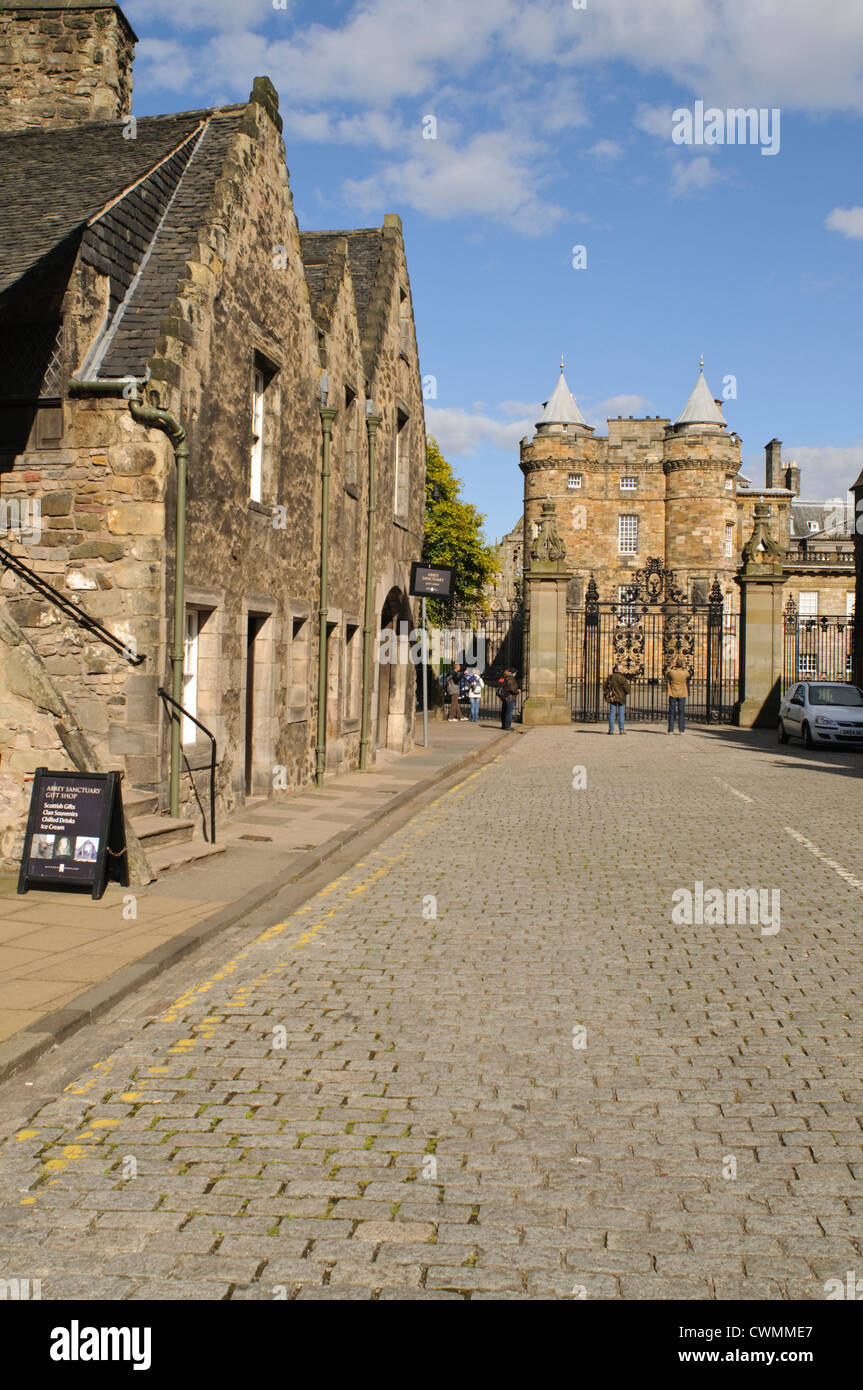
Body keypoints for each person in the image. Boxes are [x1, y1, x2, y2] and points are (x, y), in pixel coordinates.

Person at [603, 664, 630, 734]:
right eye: (623, 669)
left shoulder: (610, 677)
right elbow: (627, 690)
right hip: (621, 698)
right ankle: (621, 730)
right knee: (621, 714)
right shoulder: (623, 678)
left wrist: (608, 693)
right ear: (620, 670)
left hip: (613, 697)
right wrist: (624, 693)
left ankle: (611, 730)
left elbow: (605, 686)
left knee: (612, 714)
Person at [667, 657, 689, 734]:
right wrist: (684, 666)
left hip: (673, 692)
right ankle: (681, 730)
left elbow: (667, 672)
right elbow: (688, 673)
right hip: (682, 693)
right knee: (681, 712)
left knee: (672, 712)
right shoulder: (684, 672)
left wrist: (671, 665)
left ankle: (671, 730)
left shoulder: (672, 672)